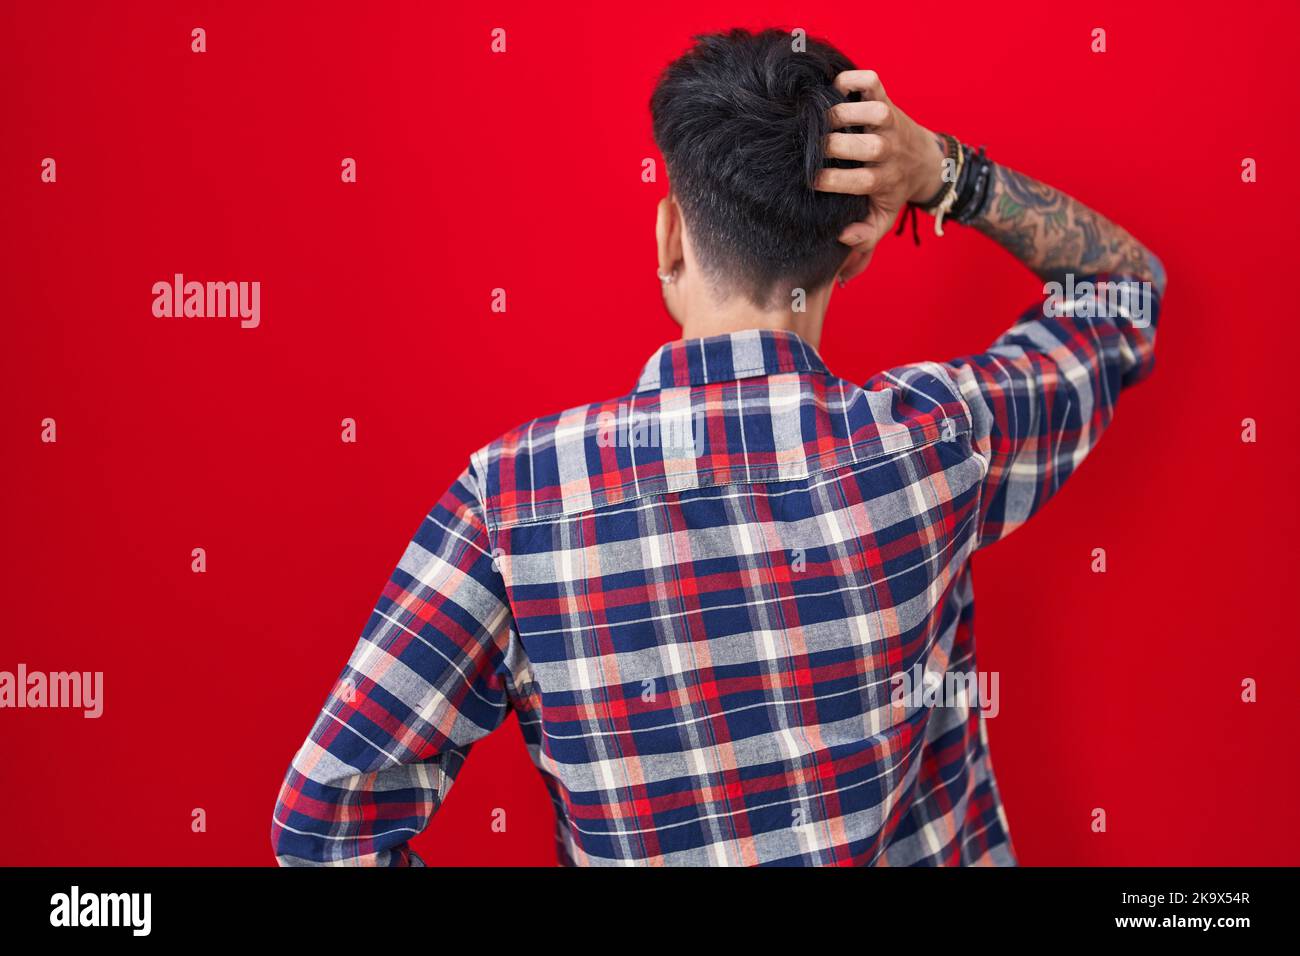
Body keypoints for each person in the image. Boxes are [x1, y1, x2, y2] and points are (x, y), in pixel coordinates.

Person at [272, 27, 1165, 866]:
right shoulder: (939, 440)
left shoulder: (513, 503)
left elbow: (321, 827)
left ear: (668, 238)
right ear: (855, 252)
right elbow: (1125, 289)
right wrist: (942, 174)